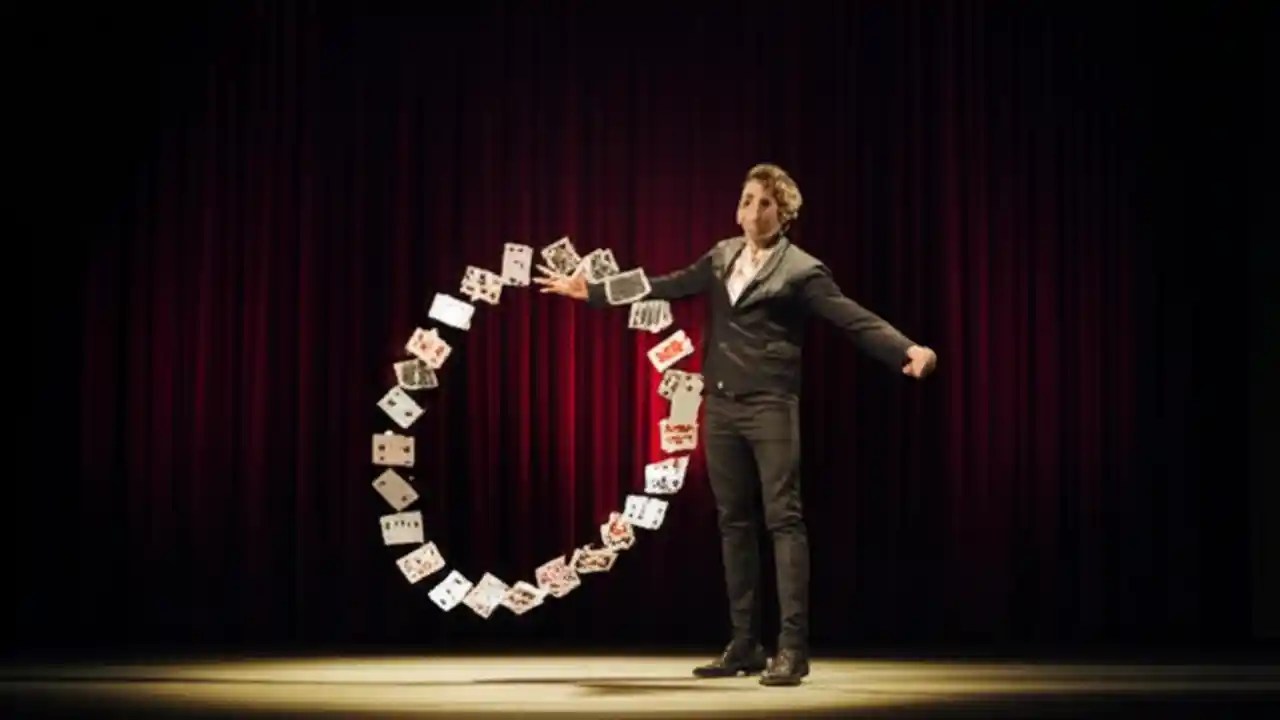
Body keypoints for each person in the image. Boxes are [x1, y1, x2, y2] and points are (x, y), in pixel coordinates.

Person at [535, 163, 937, 686]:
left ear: (784, 213)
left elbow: (851, 318)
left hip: (770, 406)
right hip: (720, 408)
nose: (752, 211)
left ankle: (792, 649)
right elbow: (664, 285)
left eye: (764, 203)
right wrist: (590, 289)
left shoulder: (802, 271)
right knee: (734, 524)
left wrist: (908, 348)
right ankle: (744, 644)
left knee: (783, 522)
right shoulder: (721, 256)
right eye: (747, 200)